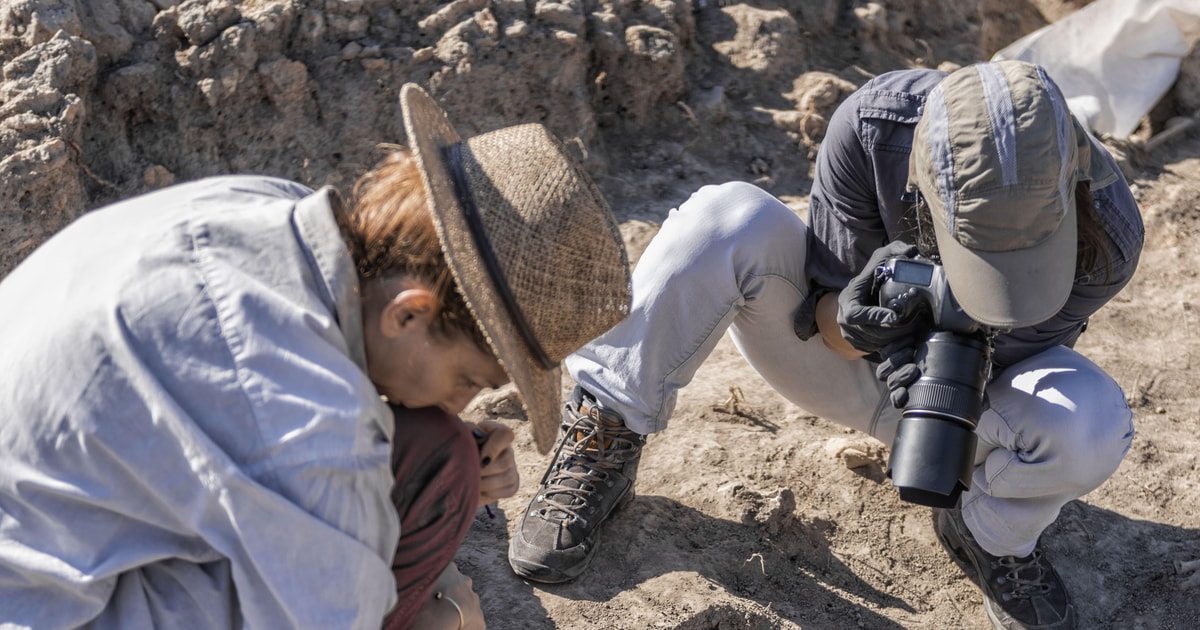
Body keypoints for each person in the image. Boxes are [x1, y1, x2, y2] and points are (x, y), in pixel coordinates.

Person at [507, 60, 1143, 630]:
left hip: (975, 404)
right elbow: (829, 327)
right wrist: (873, 325)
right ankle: (606, 432)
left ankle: (988, 532)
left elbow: (987, 357)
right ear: (923, 189)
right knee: (725, 215)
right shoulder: (873, 129)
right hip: (837, 359)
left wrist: (919, 362)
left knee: (1091, 422)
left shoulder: (1108, 237)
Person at [0, 83, 632, 629]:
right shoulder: (306, 419)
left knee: (436, 454)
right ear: (409, 313)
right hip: (48, 608)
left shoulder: (266, 206)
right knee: (432, 486)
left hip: (50, 525)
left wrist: (448, 444)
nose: (461, 405)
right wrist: (449, 616)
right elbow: (294, 426)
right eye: (468, 379)